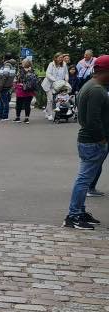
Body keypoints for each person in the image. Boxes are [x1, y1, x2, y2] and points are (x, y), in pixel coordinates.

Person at [64, 55, 109, 229]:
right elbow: (93, 119)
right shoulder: (97, 89)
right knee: (84, 180)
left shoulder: (91, 85)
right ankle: (74, 215)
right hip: (93, 141)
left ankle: (79, 212)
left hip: (89, 140)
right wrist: (101, 139)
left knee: (84, 179)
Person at [43, 53, 70, 120]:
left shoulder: (64, 64)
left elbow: (66, 73)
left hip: (58, 85)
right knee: (50, 99)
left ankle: (46, 111)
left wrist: (66, 80)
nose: (61, 59)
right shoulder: (51, 64)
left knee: (55, 99)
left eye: (61, 57)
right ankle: (49, 114)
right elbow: (48, 74)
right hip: (49, 85)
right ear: (56, 58)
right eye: (59, 57)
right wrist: (55, 80)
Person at [14, 58, 38, 124]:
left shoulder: (21, 71)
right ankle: (27, 118)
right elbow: (36, 79)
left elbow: (17, 79)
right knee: (27, 104)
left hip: (21, 89)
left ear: (24, 63)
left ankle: (18, 117)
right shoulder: (33, 71)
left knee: (19, 104)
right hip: (30, 90)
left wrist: (15, 85)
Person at [0, 53, 17, 121]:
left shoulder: (7, 65)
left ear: (5, 58)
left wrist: (1, 85)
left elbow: (5, 75)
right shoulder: (12, 65)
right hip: (7, 85)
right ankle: (0, 115)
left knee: (4, 101)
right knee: (2, 101)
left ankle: (4, 116)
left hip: (4, 85)